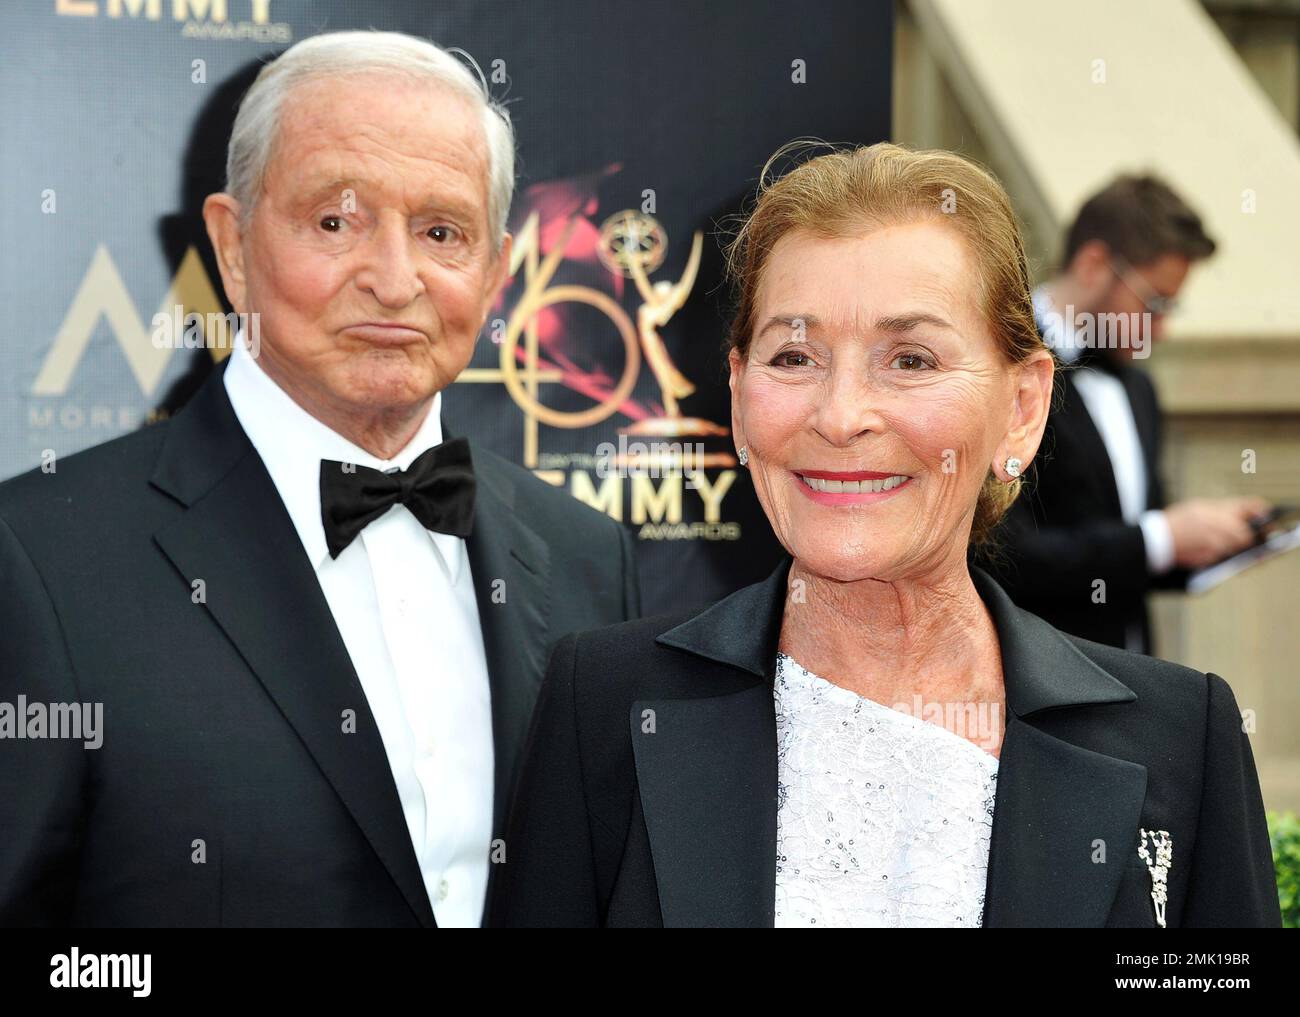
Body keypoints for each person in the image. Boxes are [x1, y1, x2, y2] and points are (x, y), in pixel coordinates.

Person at [490, 142, 1280, 928]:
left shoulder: (1180, 738)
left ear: (1023, 408)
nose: (840, 416)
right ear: (737, 395)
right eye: (794, 355)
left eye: (909, 358)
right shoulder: (604, 702)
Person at [0, 31, 639, 928]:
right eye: (335, 221)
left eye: (441, 232)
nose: (392, 278)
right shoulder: (34, 559)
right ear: (231, 245)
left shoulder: (589, 558)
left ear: (494, 274)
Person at [984, 176, 1268, 652]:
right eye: (1155, 302)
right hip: (1036, 684)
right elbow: (1003, 554)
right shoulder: (1002, 363)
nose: (1164, 327)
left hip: (1133, 678)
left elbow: (1127, 550)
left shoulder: (1138, 387)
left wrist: (1208, 544)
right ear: (1095, 264)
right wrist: (1161, 537)